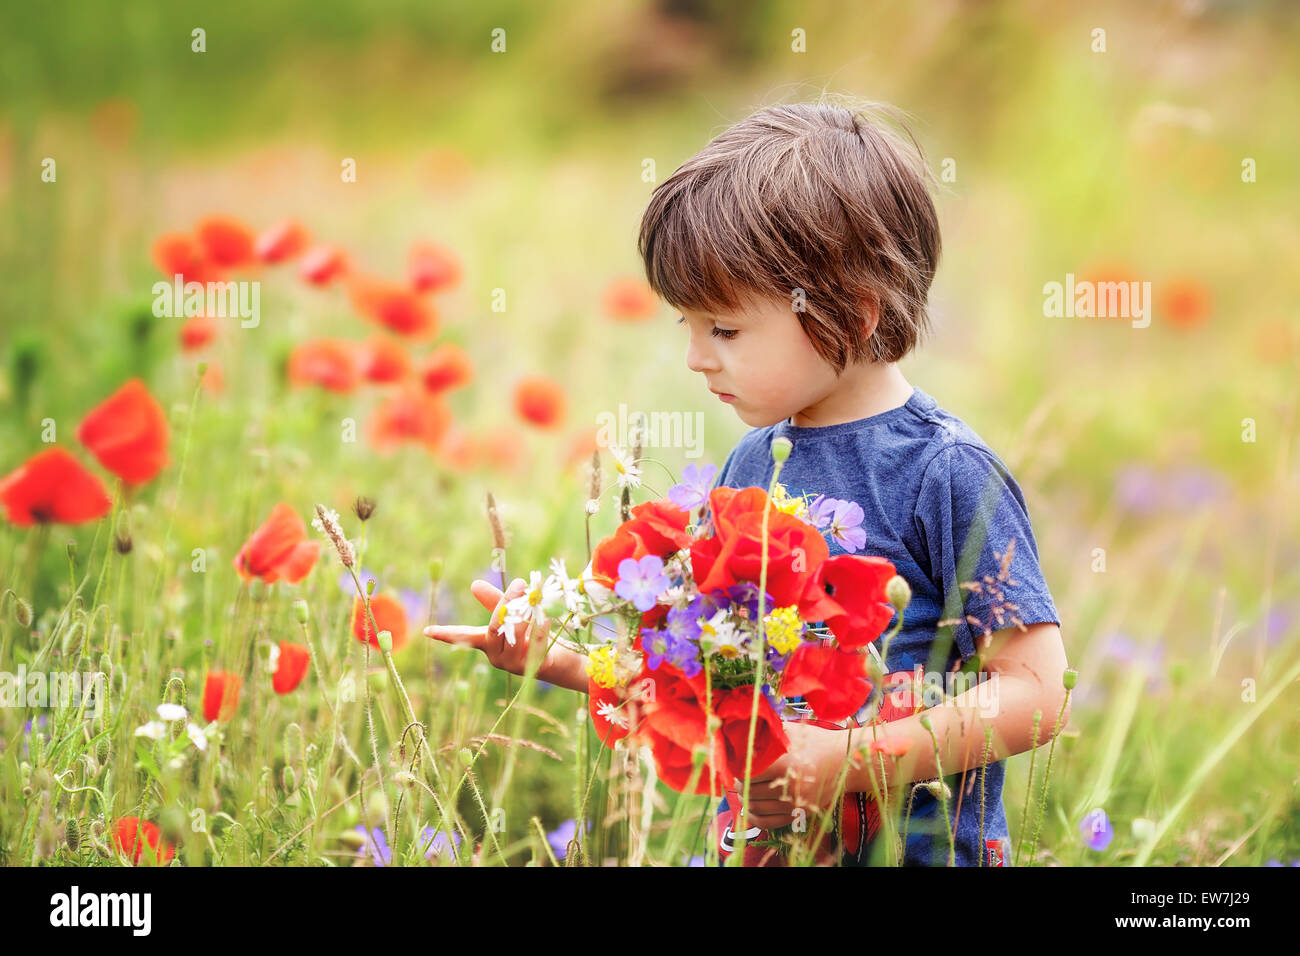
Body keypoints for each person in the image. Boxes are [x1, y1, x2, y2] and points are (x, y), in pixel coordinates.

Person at [425, 98, 1069, 867]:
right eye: (688, 327)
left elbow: (1036, 695)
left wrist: (845, 762)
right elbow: (696, 671)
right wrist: (556, 659)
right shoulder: (749, 469)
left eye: (724, 330)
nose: (697, 358)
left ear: (853, 313)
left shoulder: (944, 472)